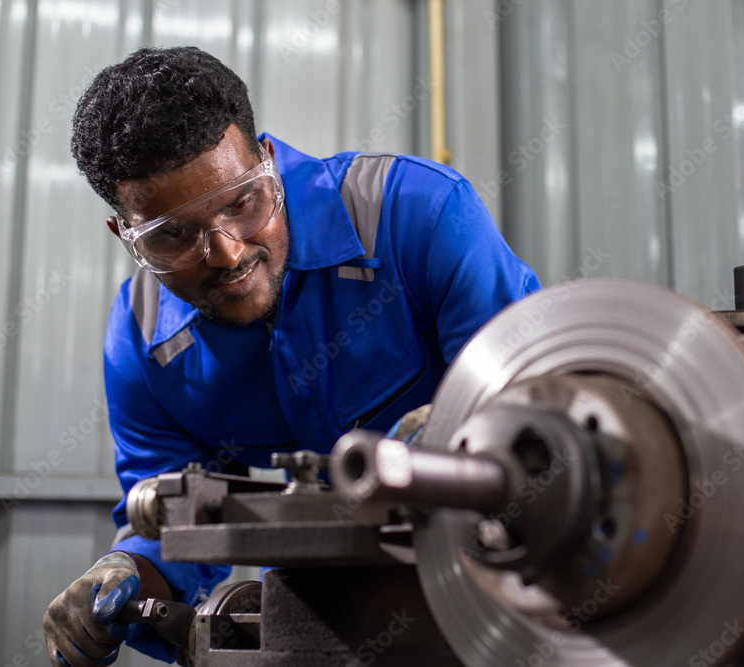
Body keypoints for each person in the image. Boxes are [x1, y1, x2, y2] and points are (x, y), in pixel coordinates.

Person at [42, 45, 540, 665]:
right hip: (324, 621)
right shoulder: (145, 342)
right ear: (126, 235)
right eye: (173, 235)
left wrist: (457, 433)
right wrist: (127, 570)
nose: (226, 253)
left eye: (241, 204)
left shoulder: (417, 216)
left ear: (268, 162)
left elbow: (534, 402)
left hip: (503, 589)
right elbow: (169, 516)